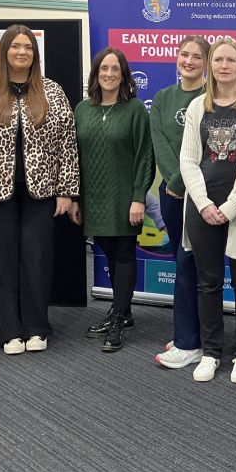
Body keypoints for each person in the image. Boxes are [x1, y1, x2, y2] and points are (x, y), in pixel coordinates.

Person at [0, 24, 78, 355]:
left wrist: (67, 191)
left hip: (42, 192)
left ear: (35, 54)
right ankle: (10, 330)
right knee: (3, 261)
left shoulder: (52, 92)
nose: (22, 52)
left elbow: (67, 144)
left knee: (38, 260)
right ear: (5, 52)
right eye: (15, 46)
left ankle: (37, 327)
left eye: (28, 47)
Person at [179, 39, 236, 383]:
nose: (224, 65)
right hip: (202, 208)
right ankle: (212, 352)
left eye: (231, 59)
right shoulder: (199, 106)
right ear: (210, 66)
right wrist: (203, 203)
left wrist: (230, 207)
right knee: (208, 283)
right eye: (218, 59)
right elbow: (188, 159)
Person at [72, 47, 154, 352]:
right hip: (92, 196)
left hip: (123, 197)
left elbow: (145, 155)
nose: (108, 74)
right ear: (95, 74)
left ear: (123, 75)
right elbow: (73, 157)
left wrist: (138, 198)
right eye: (103, 69)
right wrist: (75, 198)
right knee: (106, 250)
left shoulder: (134, 110)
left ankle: (118, 317)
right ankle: (126, 309)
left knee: (123, 253)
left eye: (114, 70)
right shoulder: (82, 109)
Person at [151, 35, 210, 370]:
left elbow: (206, 151)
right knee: (182, 261)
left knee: (191, 264)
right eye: (184, 54)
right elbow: (159, 142)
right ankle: (190, 333)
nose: (188, 61)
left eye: (196, 57)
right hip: (172, 197)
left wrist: (180, 183)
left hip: (199, 196)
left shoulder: (212, 98)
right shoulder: (163, 97)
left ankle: (190, 343)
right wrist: (173, 184)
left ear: (206, 63)